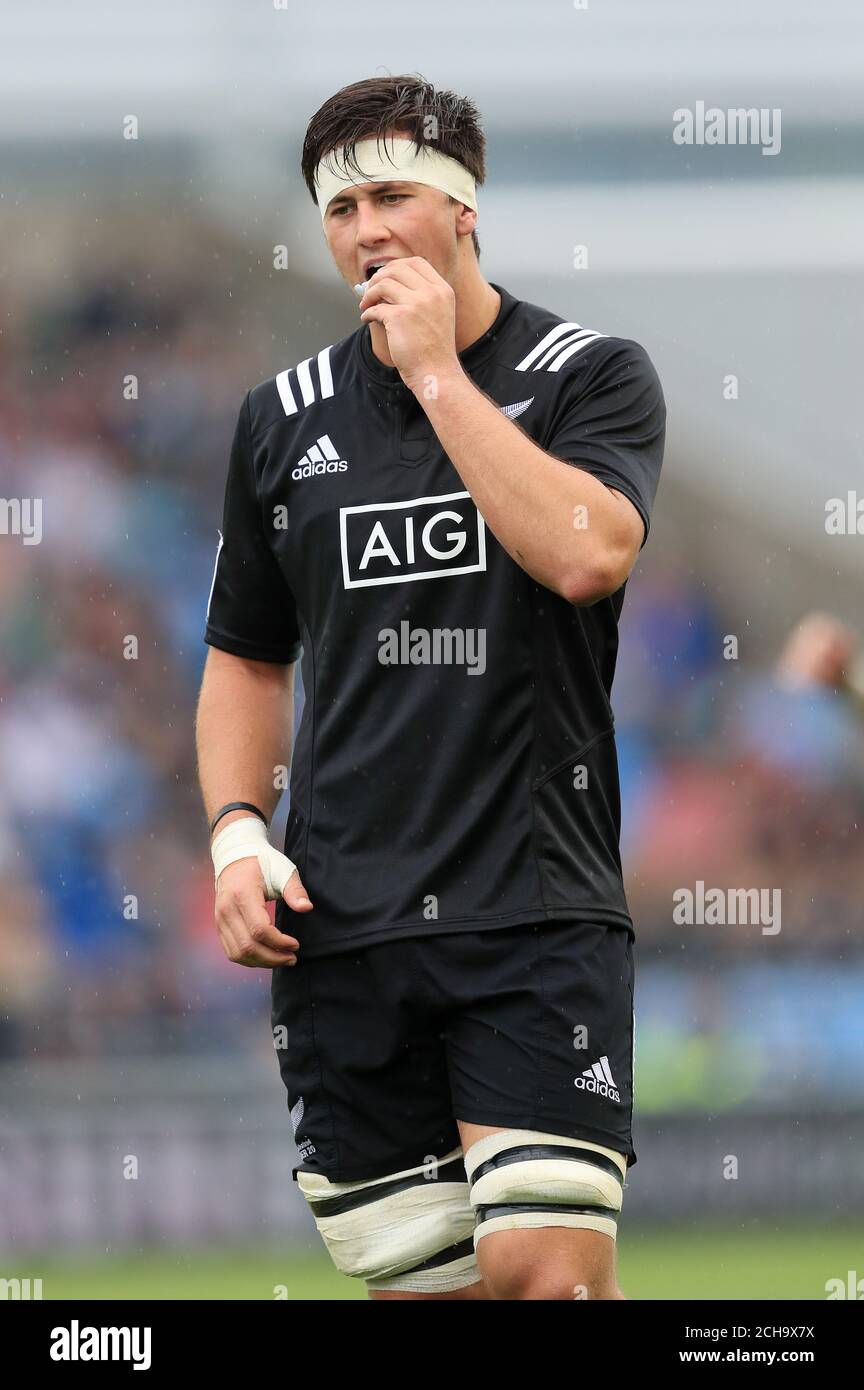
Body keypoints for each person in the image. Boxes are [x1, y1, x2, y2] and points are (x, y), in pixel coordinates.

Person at [195, 73, 666, 1300]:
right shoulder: (279, 421)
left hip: (533, 916)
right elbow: (246, 654)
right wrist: (238, 836)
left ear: (464, 209)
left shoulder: (587, 376)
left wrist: (437, 379)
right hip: (345, 933)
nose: (365, 233)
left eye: (393, 197)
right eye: (341, 209)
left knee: (543, 1278)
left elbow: (585, 551)